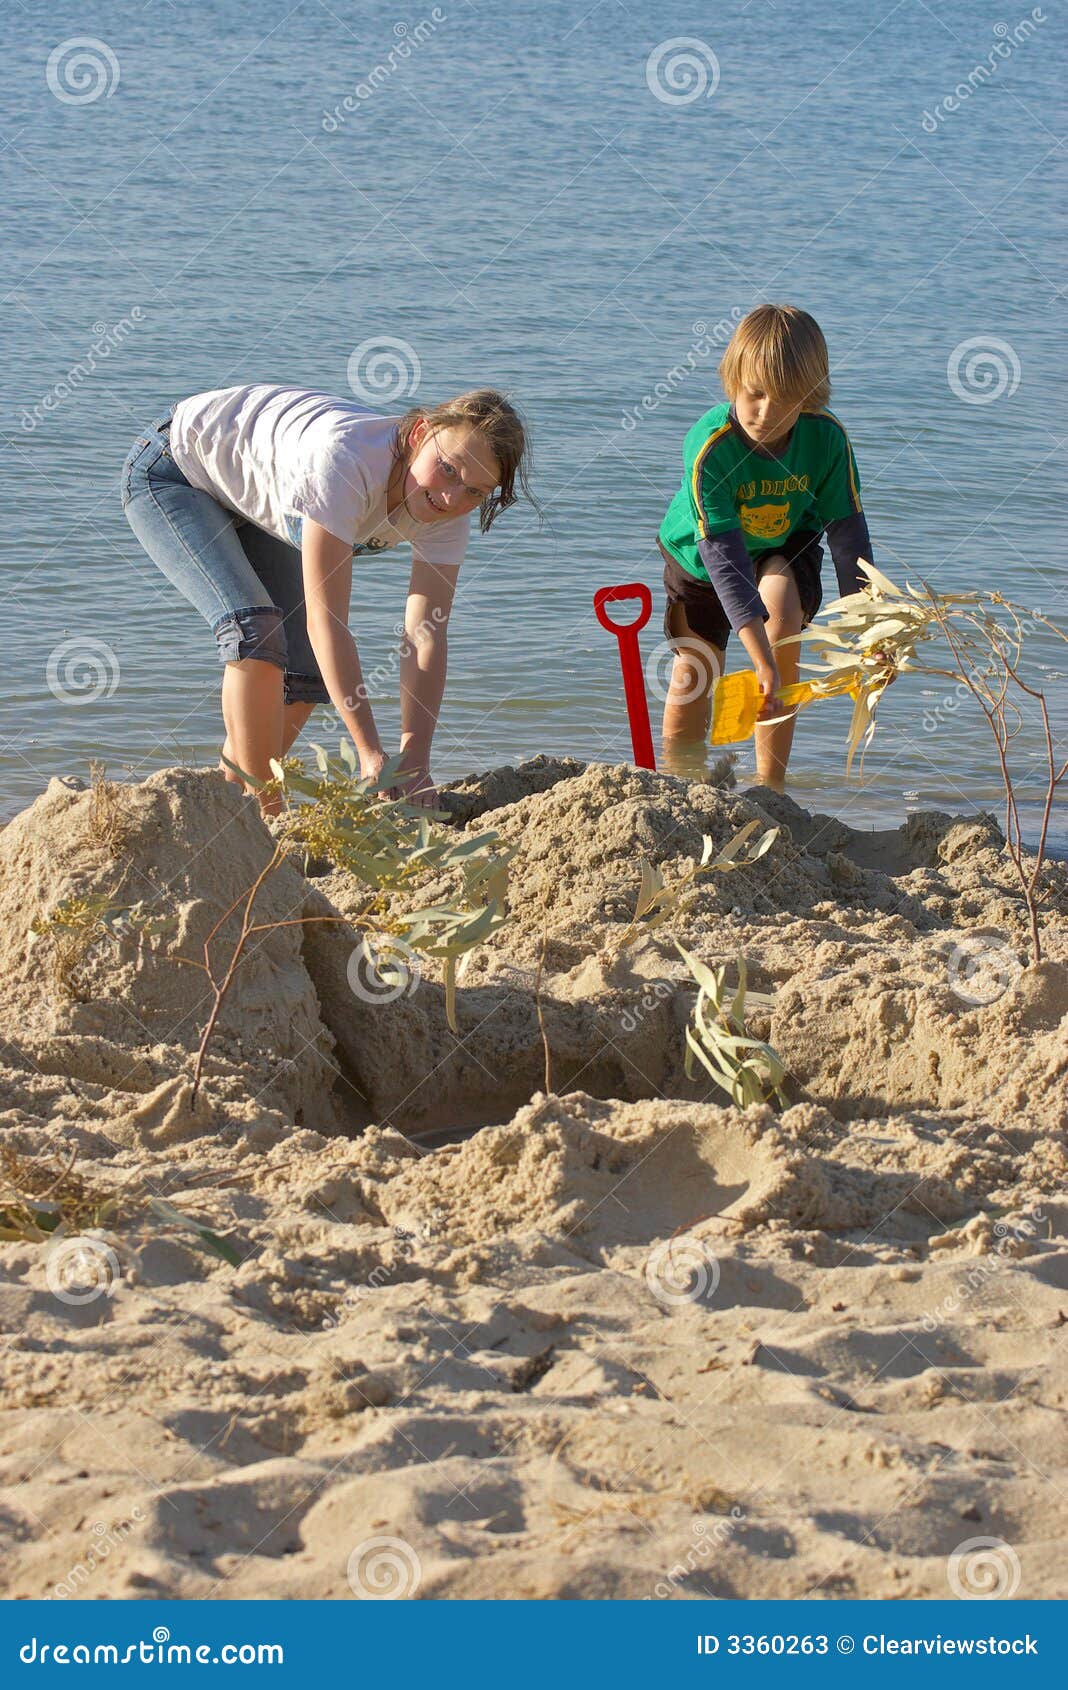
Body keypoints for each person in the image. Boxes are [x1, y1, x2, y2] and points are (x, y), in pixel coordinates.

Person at [120, 382, 532, 812]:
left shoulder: (449, 513)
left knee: (307, 673)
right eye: (447, 469)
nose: (451, 498)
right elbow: (327, 623)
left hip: (257, 501)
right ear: (419, 434)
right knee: (254, 631)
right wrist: (369, 752)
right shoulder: (345, 463)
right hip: (176, 468)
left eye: (476, 492)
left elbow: (425, 634)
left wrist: (414, 760)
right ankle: (268, 816)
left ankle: (229, 805)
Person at [657, 304, 874, 791]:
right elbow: (725, 558)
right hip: (702, 553)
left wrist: (870, 632)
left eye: (786, 400)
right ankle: (680, 781)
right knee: (697, 668)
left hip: (785, 540)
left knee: (783, 617)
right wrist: (758, 660)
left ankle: (770, 787)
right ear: (733, 380)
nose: (767, 413)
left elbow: (848, 538)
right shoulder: (712, 445)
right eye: (755, 394)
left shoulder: (827, 438)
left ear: (809, 398)